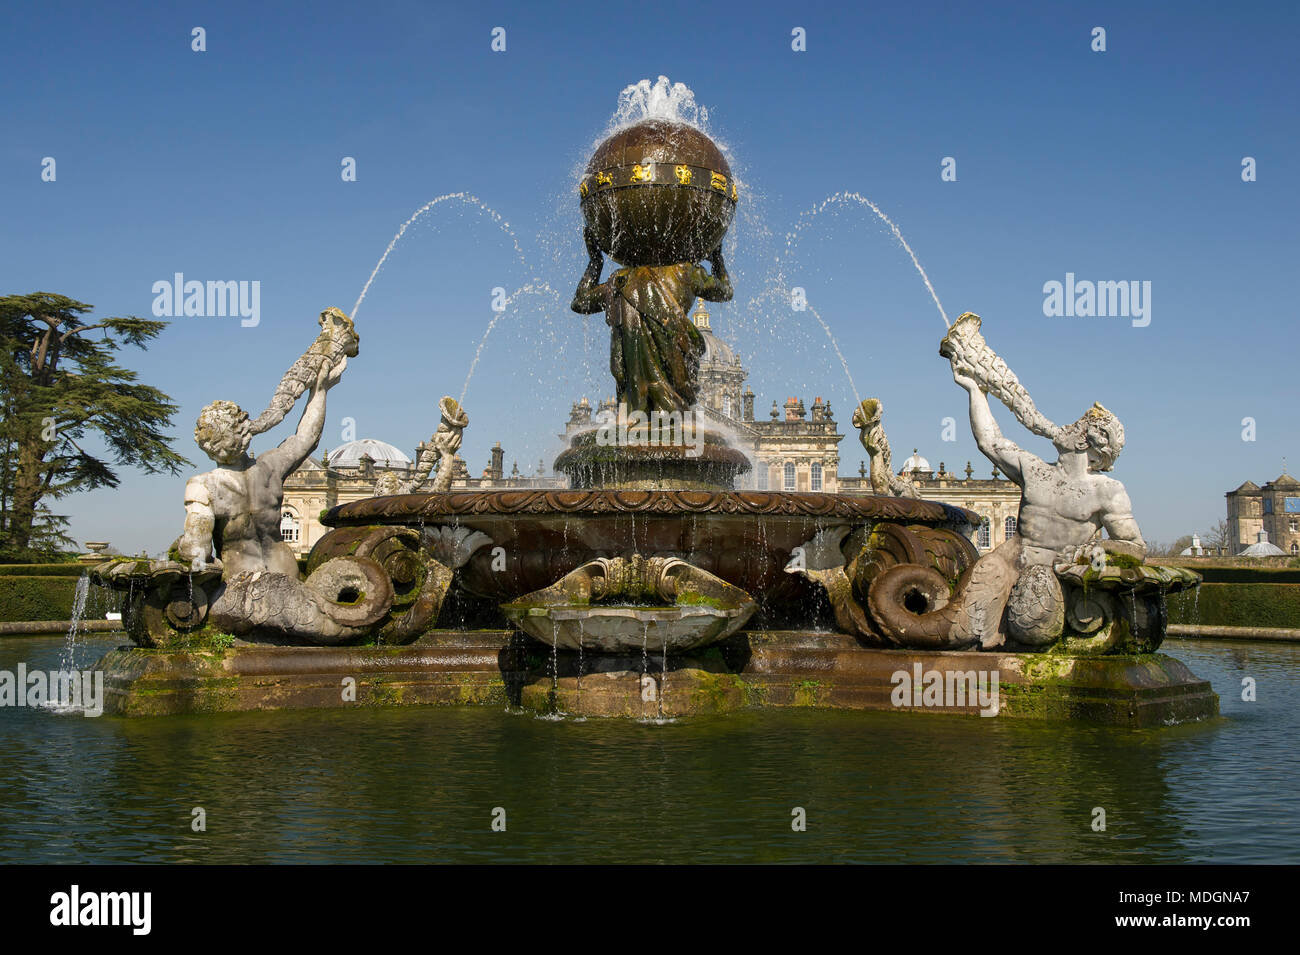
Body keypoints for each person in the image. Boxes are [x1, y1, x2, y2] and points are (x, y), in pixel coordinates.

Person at [177, 358, 345, 578]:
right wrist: (321, 389)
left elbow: (196, 551)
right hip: (286, 576)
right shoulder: (270, 468)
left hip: (241, 584)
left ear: (206, 447)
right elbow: (307, 437)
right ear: (245, 434)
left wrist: (181, 546)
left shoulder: (203, 486)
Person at [571, 226, 732, 415]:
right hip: (677, 394)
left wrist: (595, 261)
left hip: (634, 399)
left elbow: (581, 302)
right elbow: (725, 290)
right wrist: (717, 259)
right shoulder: (687, 272)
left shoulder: (622, 280)